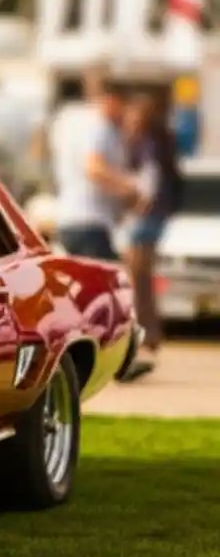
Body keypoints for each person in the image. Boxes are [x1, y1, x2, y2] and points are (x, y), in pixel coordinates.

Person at [50, 72, 143, 261]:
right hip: (90, 223)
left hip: (72, 220)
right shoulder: (99, 126)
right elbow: (94, 169)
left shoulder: (73, 121)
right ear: (112, 100)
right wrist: (130, 189)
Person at [123, 92, 182, 375]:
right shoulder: (160, 143)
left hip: (146, 216)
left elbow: (150, 180)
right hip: (156, 216)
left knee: (137, 276)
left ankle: (144, 332)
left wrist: (138, 206)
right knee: (142, 276)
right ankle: (151, 332)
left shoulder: (147, 144)